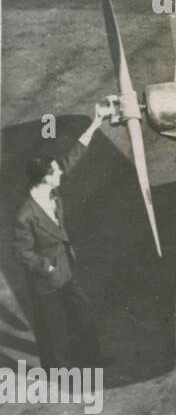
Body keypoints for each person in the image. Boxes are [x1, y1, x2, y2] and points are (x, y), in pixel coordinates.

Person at [13, 109, 110, 368]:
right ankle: (57, 372)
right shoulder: (26, 215)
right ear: (44, 180)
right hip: (46, 280)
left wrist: (96, 123)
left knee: (83, 313)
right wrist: (47, 267)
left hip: (65, 268)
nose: (60, 174)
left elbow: (72, 158)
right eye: (55, 173)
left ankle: (93, 361)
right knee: (53, 330)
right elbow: (22, 252)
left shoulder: (50, 192)